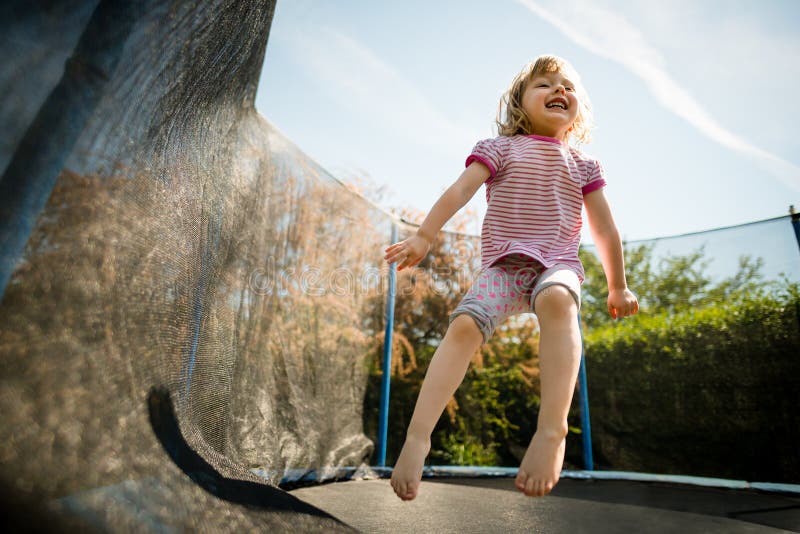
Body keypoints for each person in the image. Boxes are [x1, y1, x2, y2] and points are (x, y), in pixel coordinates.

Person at [383, 54, 639, 500]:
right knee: (463, 325)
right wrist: (424, 235)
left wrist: (617, 284)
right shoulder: (500, 148)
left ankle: (552, 430)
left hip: (557, 262)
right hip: (504, 265)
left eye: (568, 87)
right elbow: (461, 189)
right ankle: (418, 437)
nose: (559, 90)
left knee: (559, 301)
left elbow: (603, 228)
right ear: (519, 102)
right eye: (544, 84)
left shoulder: (583, 164)